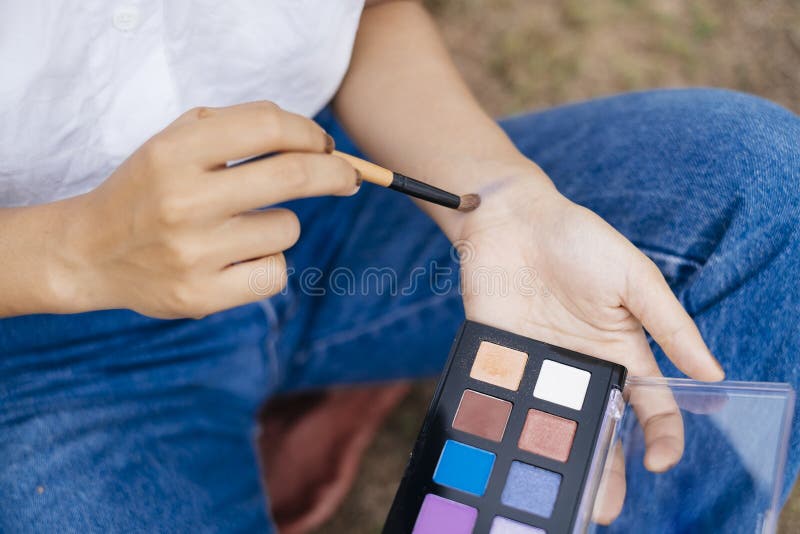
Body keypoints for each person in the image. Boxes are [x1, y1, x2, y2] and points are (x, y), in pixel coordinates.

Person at [0, 1, 797, 532]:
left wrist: (504, 198)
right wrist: (71, 255)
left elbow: (366, 12)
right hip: (51, 328)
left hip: (332, 197)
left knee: (764, 186)